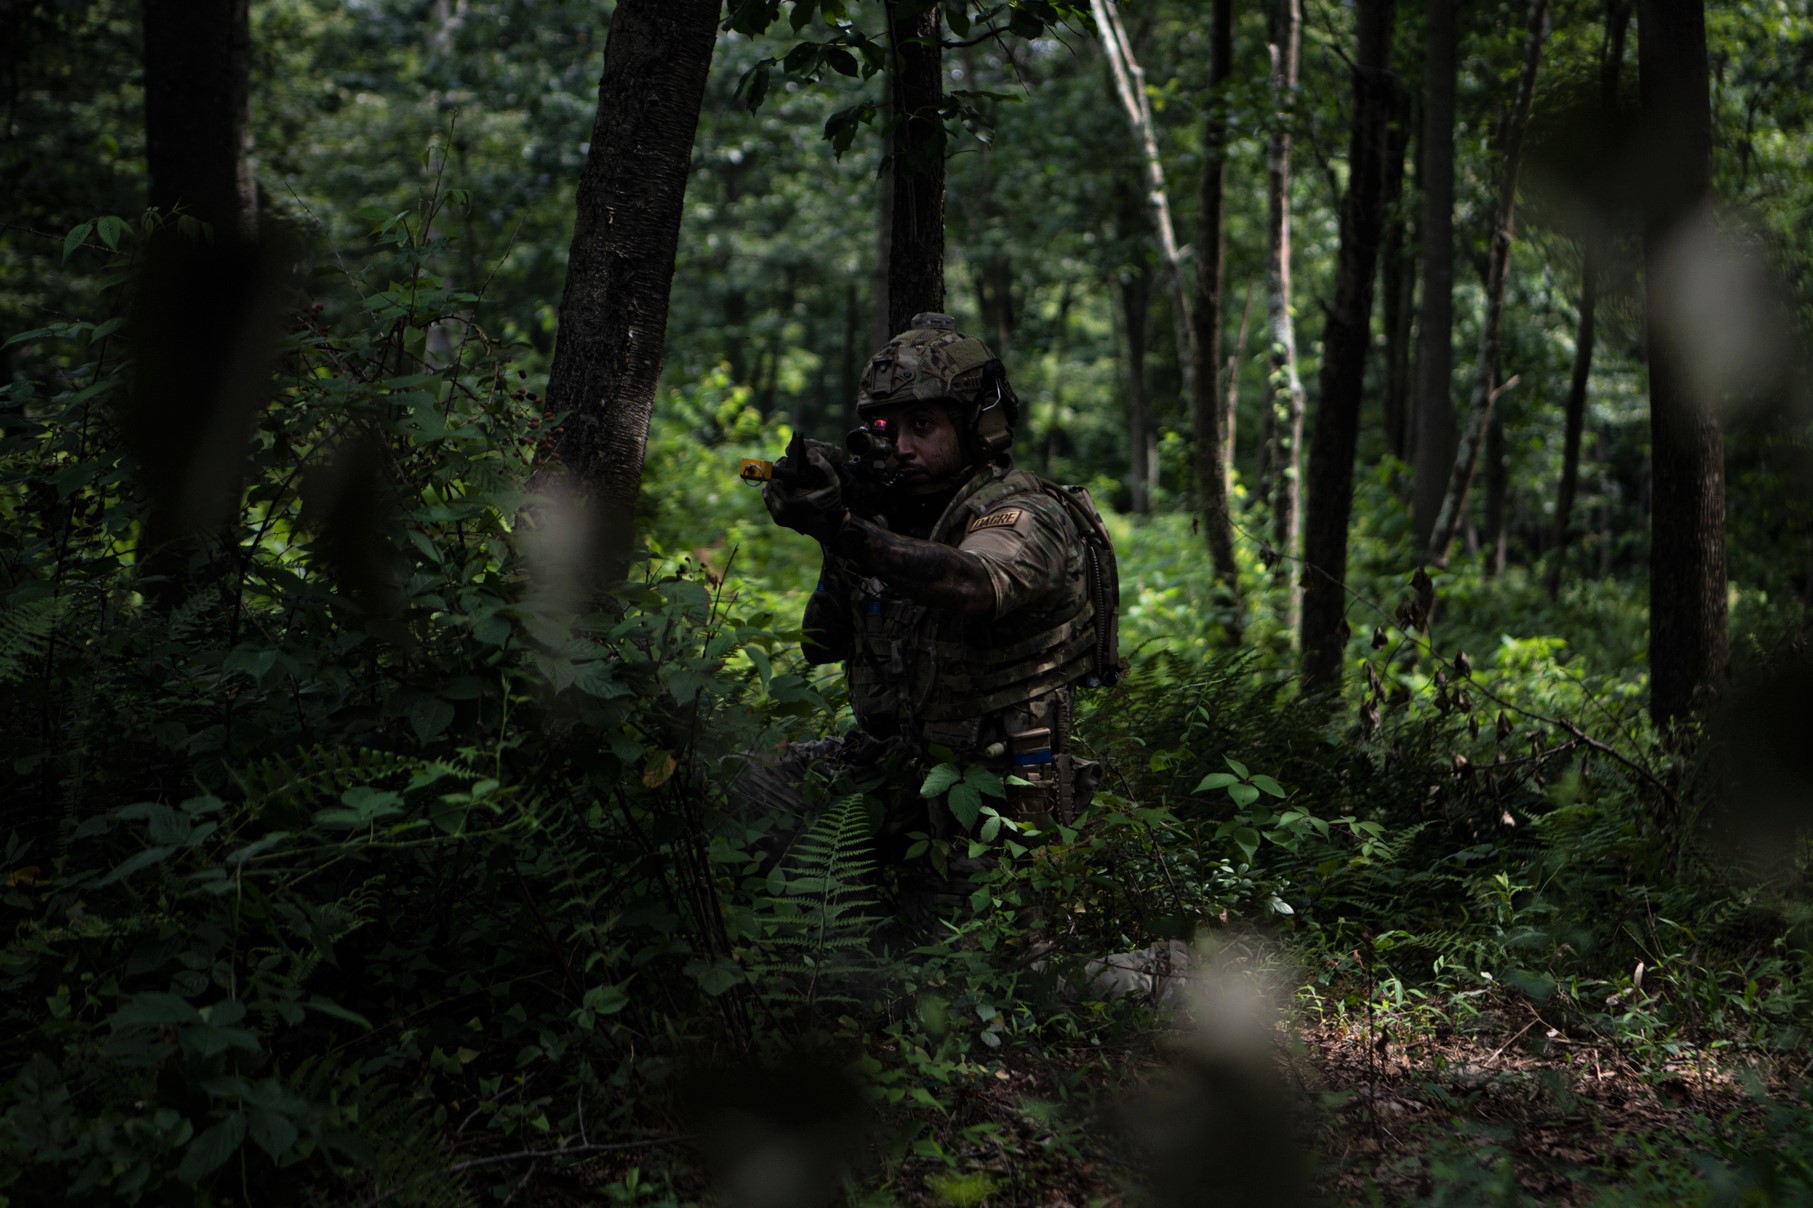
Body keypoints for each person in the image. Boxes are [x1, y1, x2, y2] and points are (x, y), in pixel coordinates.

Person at [757, 313, 1106, 845]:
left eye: (922, 426)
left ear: (977, 426)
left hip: (997, 798)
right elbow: (819, 645)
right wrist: (836, 527)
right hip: (892, 773)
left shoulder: (1026, 513)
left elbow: (974, 582)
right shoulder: (889, 521)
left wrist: (848, 530)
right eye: (886, 430)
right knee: (736, 785)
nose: (900, 447)